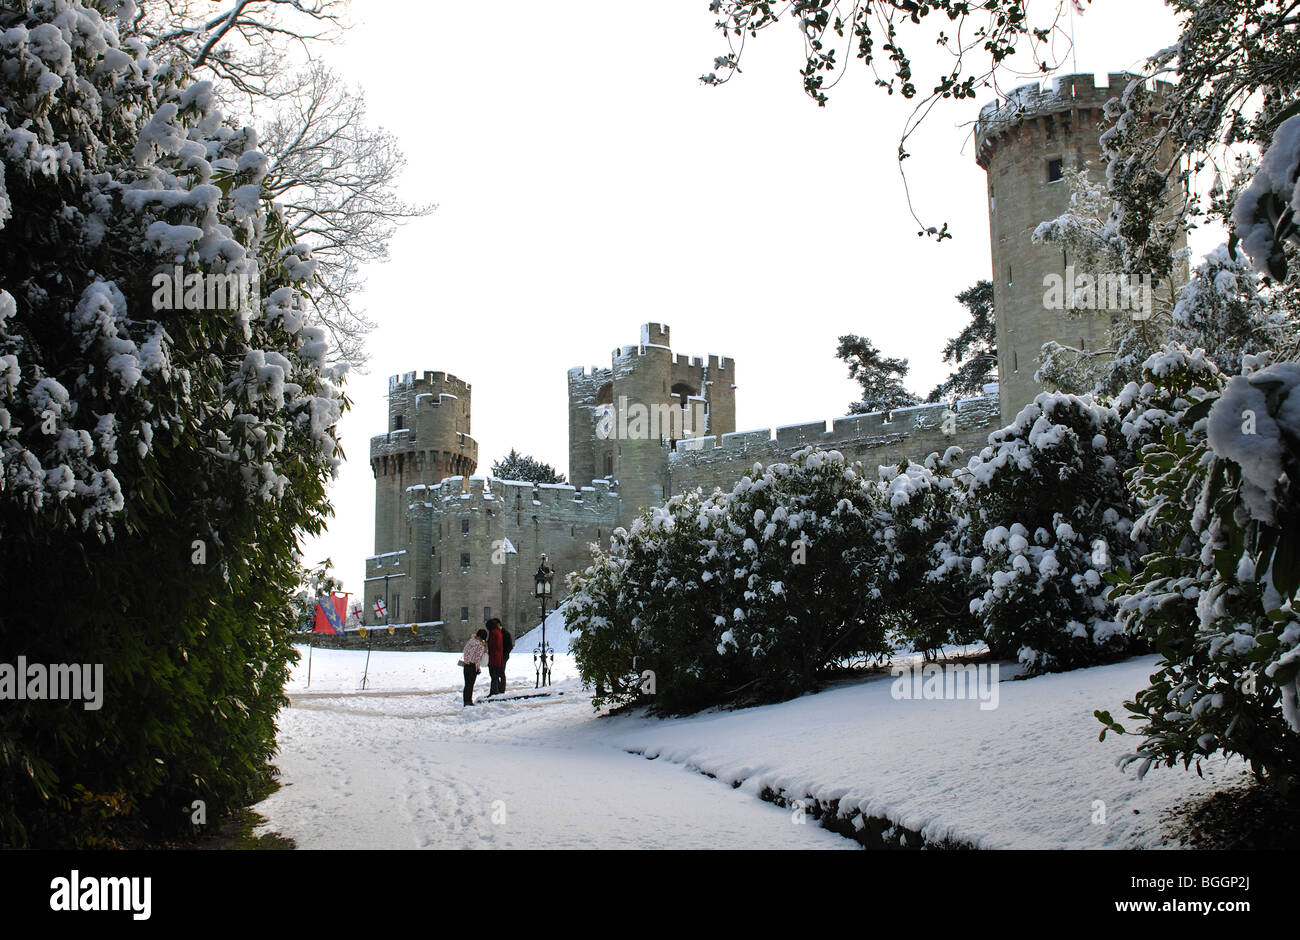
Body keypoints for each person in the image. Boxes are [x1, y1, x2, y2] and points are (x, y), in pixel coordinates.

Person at [461, 629, 487, 707]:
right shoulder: (480, 645)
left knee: (466, 684)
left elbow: (464, 650)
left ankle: (465, 700)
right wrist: (478, 668)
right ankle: (469, 701)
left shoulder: (470, 641)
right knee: (470, 684)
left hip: (466, 665)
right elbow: (477, 659)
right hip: (472, 666)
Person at [486, 618, 506, 696]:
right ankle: (496, 691)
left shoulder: (493, 633)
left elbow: (492, 645)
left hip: (493, 657)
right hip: (498, 657)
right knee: (496, 675)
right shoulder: (498, 632)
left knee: (493, 676)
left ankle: (494, 691)